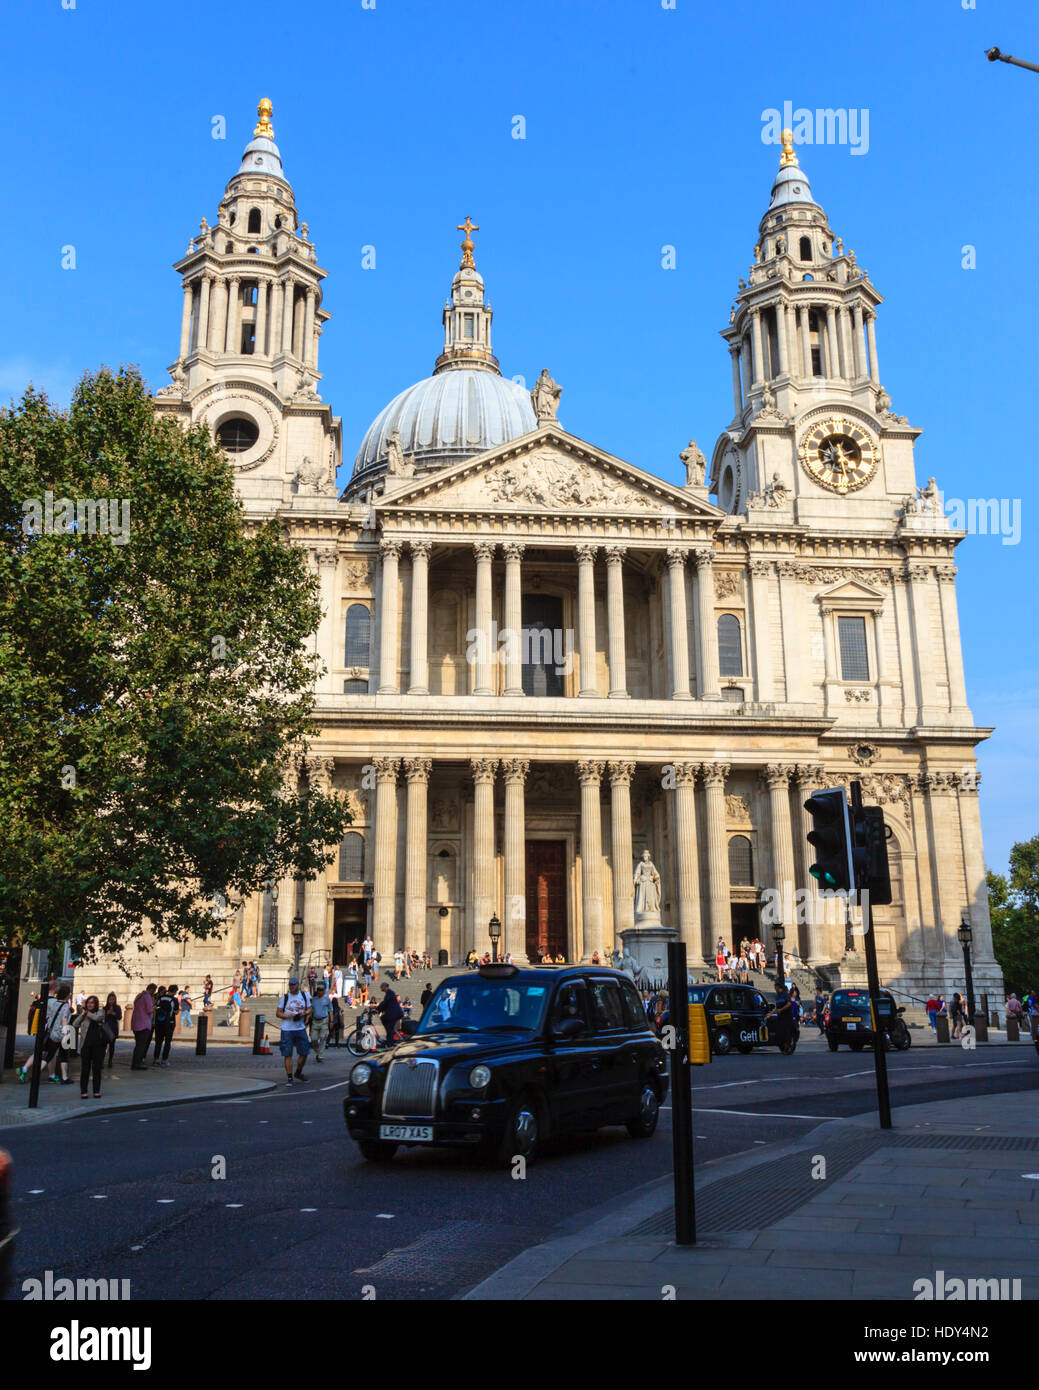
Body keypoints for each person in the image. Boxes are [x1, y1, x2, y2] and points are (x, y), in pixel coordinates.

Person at [20, 984, 74, 1085]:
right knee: (56, 1056)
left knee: (52, 1055)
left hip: (51, 1032)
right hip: (60, 1034)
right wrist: (66, 1034)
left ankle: (63, 1077)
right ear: (67, 995)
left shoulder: (55, 1003)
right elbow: (64, 1020)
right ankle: (63, 1077)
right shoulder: (65, 1006)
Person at [276, 976, 312, 1085]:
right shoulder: (285, 998)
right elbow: (278, 1013)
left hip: (300, 1028)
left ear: (297, 985)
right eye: (290, 985)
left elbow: (309, 1008)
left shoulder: (304, 996)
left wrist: (304, 1013)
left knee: (305, 1052)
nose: (291, 987)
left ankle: (298, 1072)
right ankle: (289, 1077)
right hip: (287, 1029)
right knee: (288, 1054)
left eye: (293, 984)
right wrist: (288, 1016)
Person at [73, 996, 110, 1098]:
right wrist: (82, 1015)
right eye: (88, 1002)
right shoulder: (84, 1014)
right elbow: (75, 1024)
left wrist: (87, 1013)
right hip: (86, 1045)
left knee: (97, 1069)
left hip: (98, 1046)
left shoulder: (100, 1012)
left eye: (92, 1003)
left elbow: (97, 1018)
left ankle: (96, 1091)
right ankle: (83, 1091)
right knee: (85, 1069)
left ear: (96, 1004)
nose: (90, 1004)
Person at [130, 983, 157, 1070]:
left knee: (138, 1045)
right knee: (141, 1046)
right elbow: (149, 1010)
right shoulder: (147, 997)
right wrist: (154, 1008)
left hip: (136, 1023)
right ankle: (137, 1063)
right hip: (143, 1024)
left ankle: (135, 1062)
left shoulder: (139, 996)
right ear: (152, 990)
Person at [152, 986, 178, 1066]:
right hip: (170, 1022)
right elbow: (176, 1012)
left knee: (158, 1042)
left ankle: (156, 1059)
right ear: (175, 992)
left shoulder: (161, 998)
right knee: (167, 1042)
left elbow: (156, 1007)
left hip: (159, 1022)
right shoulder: (174, 1000)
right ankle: (164, 1060)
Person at [309, 982, 331, 1061]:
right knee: (313, 1039)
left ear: (324, 990)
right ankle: (318, 1052)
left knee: (323, 1037)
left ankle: (320, 1055)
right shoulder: (313, 1000)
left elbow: (331, 1010)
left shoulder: (327, 999)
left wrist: (331, 1022)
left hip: (324, 1020)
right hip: (315, 1021)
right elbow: (310, 1010)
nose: (319, 991)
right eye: (318, 990)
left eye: (321, 990)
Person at [103, 992, 123, 1068]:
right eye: (110, 999)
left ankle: (110, 1060)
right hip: (106, 1027)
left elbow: (119, 1017)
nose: (111, 1001)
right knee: (104, 1045)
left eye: (113, 999)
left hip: (113, 1027)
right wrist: (107, 1013)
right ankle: (102, 1060)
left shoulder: (117, 1007)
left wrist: (113, 1013)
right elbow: (102, 1018)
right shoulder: (105, 1008)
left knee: (112, 1045)